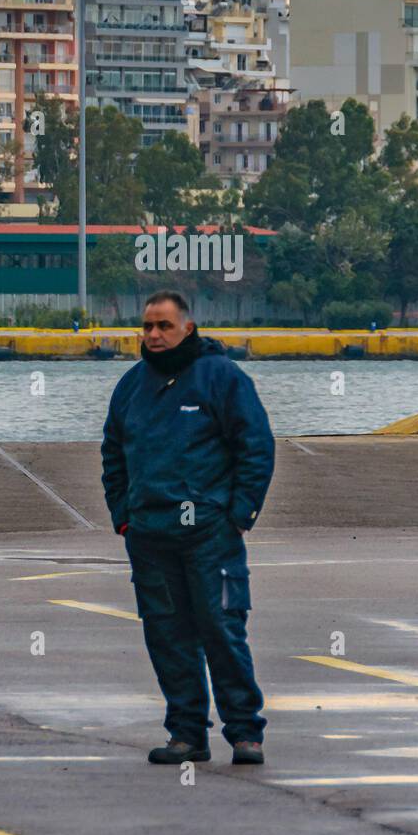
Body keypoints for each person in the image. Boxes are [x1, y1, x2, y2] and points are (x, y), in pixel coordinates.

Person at [101, 290, 275, 765]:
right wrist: (123, 516)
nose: (154, 335)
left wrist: (240, 514)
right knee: (167, 635)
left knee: (222, 629)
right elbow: (112, 453)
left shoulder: (221, 378)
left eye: (164, 326)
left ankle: (244, 732)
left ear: (188, 328)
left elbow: (256, 447)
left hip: (210, 534)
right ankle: (187, 734)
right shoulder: (131, 386)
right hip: (150, 535)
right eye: (148, 327)